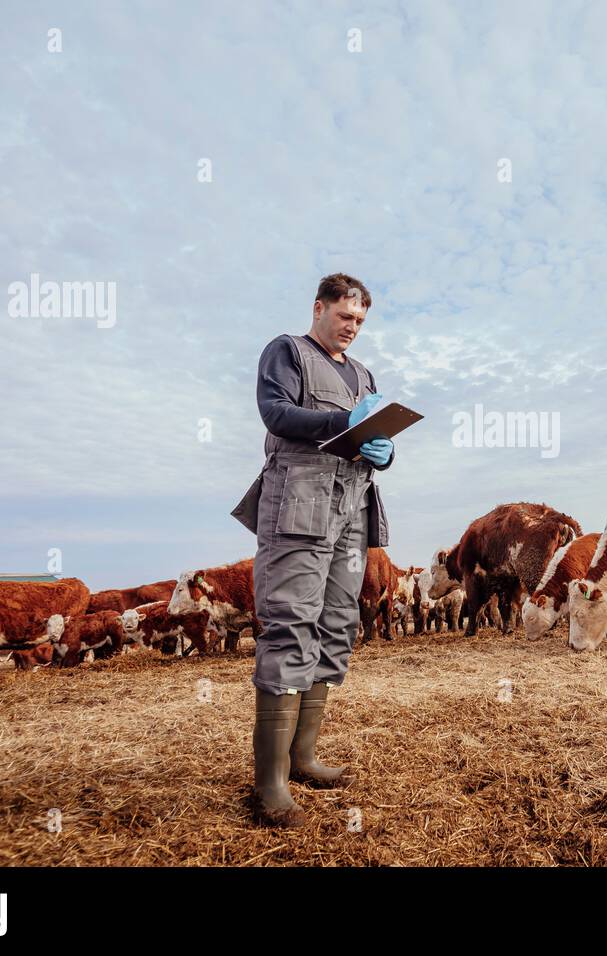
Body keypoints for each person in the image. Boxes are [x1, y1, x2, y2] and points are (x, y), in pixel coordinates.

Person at [230, 272, 394, 827]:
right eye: (346, 316)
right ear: (319, 307)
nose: (353, 328)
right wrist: (340, 420)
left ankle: (303, 758)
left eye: (361, 321)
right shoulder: (287, 352)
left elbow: (368, 436)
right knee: (290, 623)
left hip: (353, 508)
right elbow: (275, 413)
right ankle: (269, 784)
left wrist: (382, 450)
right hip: (298, 505)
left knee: (336, 624)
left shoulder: (364, 373)